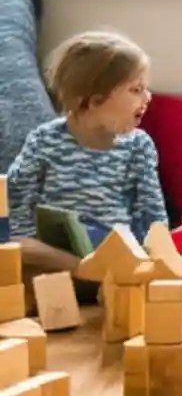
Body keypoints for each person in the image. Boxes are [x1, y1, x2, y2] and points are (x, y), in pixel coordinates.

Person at [5, 30, 167, 305]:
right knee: (18, 250)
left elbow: (152, 217)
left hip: (109, 253)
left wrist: (152, 259)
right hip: (55, 258)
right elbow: (18, 206)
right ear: (95, 100)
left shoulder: (138, 146)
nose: (147, 97)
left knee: (116, 244)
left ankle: (101, 282)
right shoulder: (44, 140)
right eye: (136, 89)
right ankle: (77, 283)